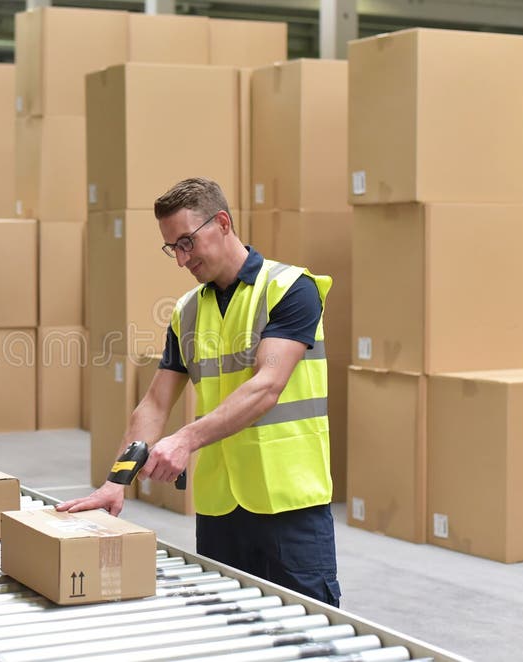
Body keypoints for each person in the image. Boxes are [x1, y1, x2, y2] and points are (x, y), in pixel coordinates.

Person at [57, 177, 341, 607]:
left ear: (222, 222)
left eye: (187, 242)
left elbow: (267, 386)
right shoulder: (188, 311)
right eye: (173, 248)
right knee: (227, 627)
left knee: (307, 637)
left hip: (288, 504)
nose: (181, 259)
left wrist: (185, 439)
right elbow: (155, 402)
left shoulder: (290, 289)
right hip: (219, 507)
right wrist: (117, 480)